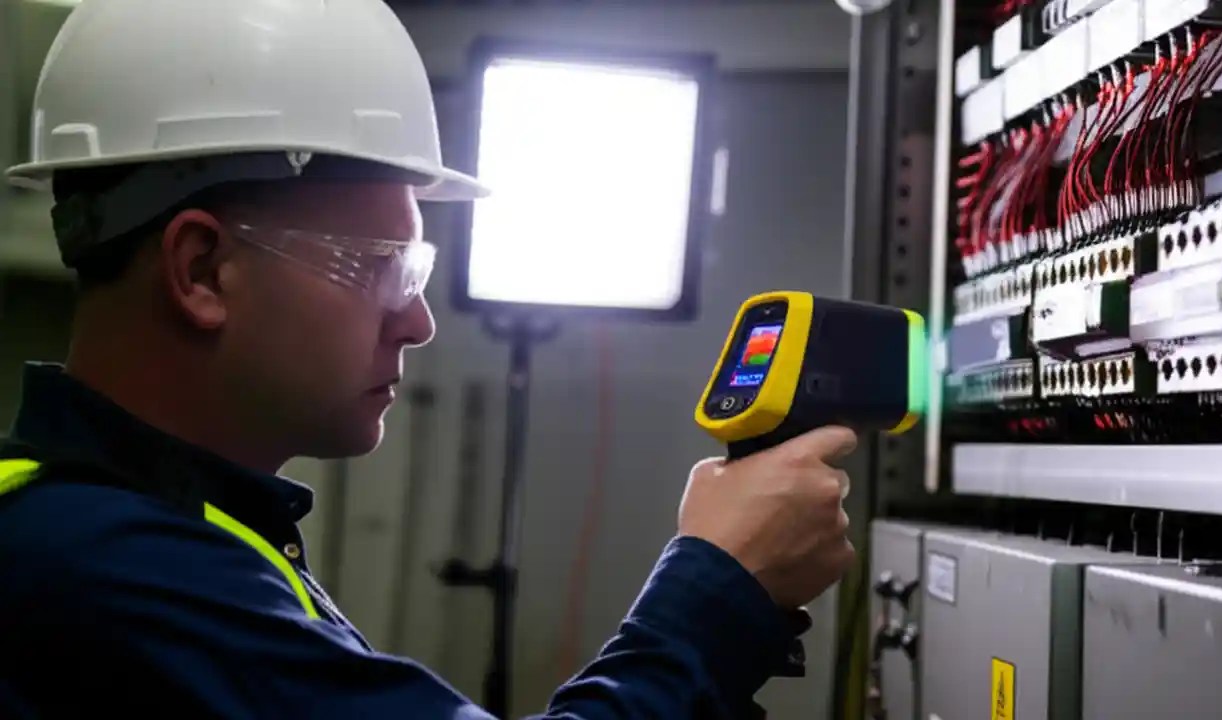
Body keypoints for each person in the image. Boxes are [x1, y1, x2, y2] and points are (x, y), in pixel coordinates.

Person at [0, 0, 859, 717]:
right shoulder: (103, 568)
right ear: (201, 271)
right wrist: (719, 586)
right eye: (385, 268)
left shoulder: (146, 528)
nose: (417, 322)